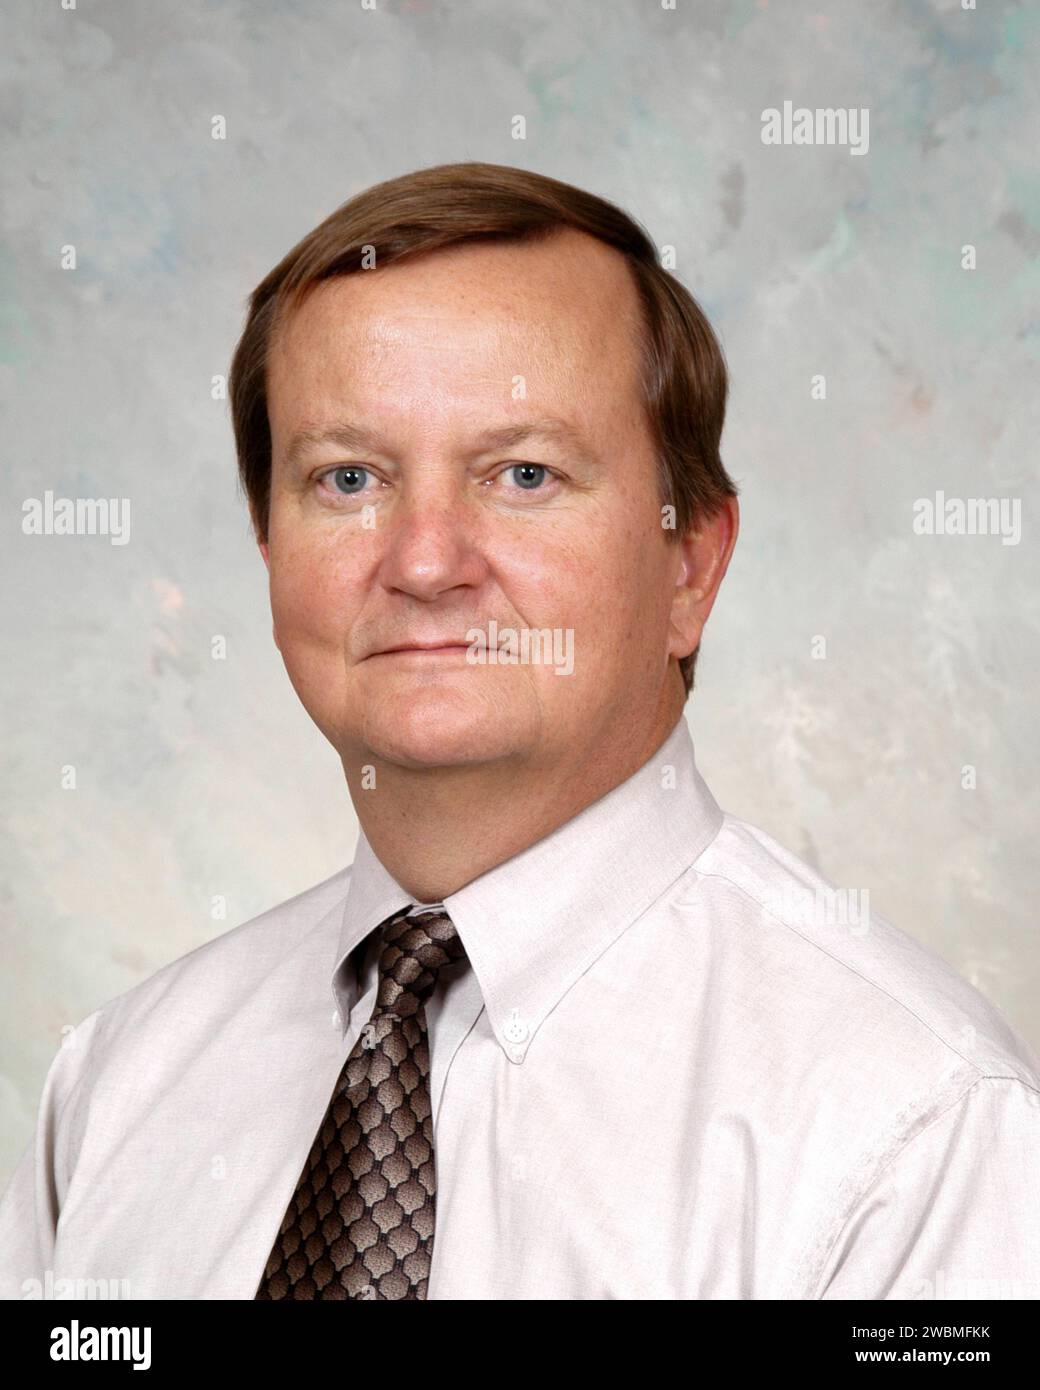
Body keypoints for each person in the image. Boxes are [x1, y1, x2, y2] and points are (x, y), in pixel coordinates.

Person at [2, 162, 1038, 1301]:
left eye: (523, 474)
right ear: (267, 548)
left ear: (689, 562)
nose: (425, 561)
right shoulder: (116, 1086)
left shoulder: (914, 1130)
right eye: (347, 478)